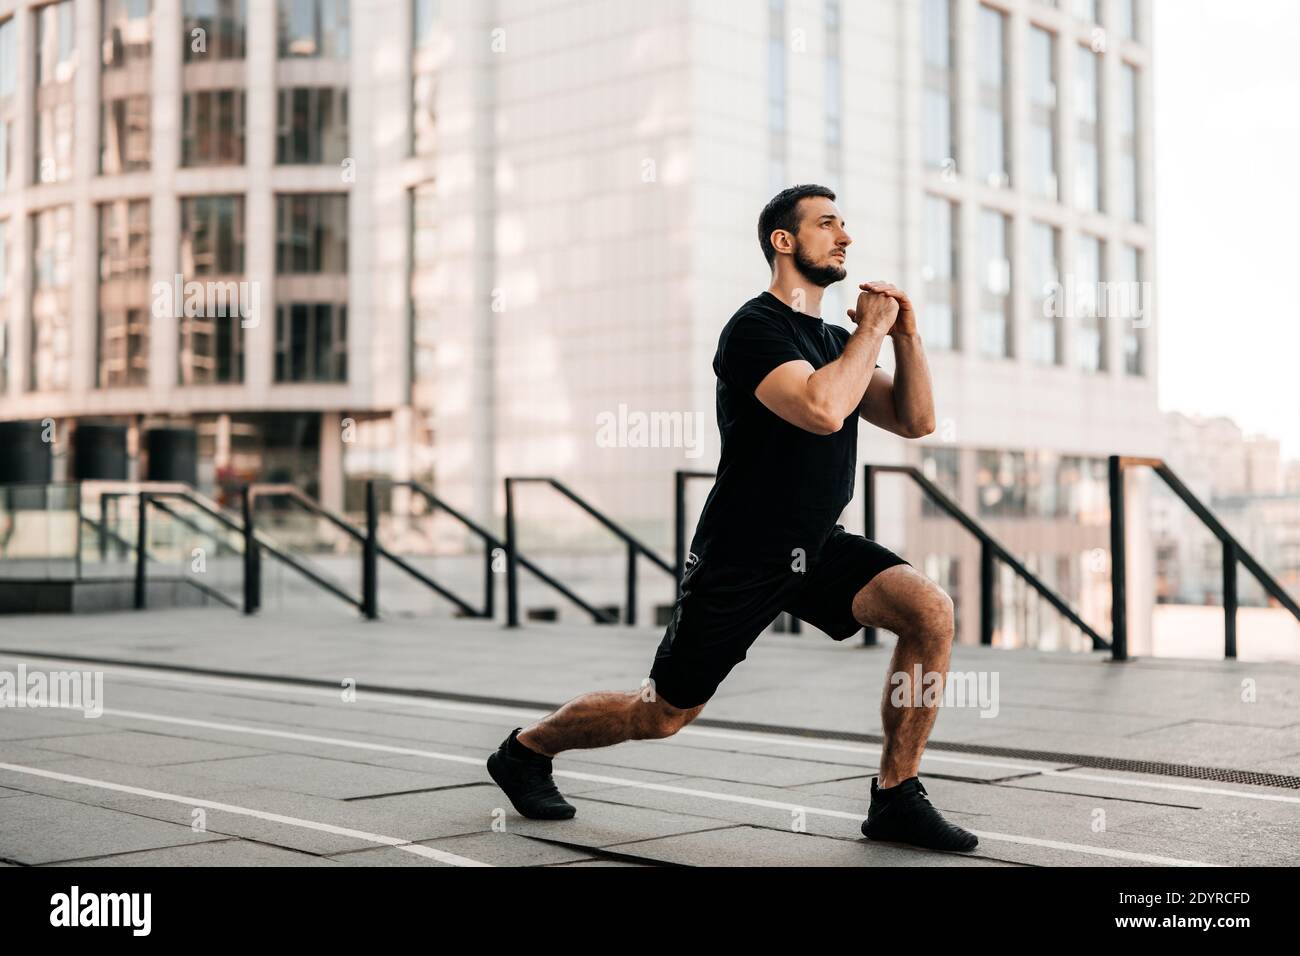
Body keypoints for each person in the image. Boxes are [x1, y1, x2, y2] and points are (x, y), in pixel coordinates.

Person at [487, 184, 978, 853]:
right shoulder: (755, 330)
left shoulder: (839, 339)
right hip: (742, 555)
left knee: (930, 611)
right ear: (783, 241)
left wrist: (908, 336)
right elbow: (821, 408)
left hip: (815, 547)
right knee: (661, 713)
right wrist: (870, 332)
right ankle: (525, 750)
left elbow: (915, 420)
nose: (846, 237)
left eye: (846, 224)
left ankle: (895, 796)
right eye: (828, 224)